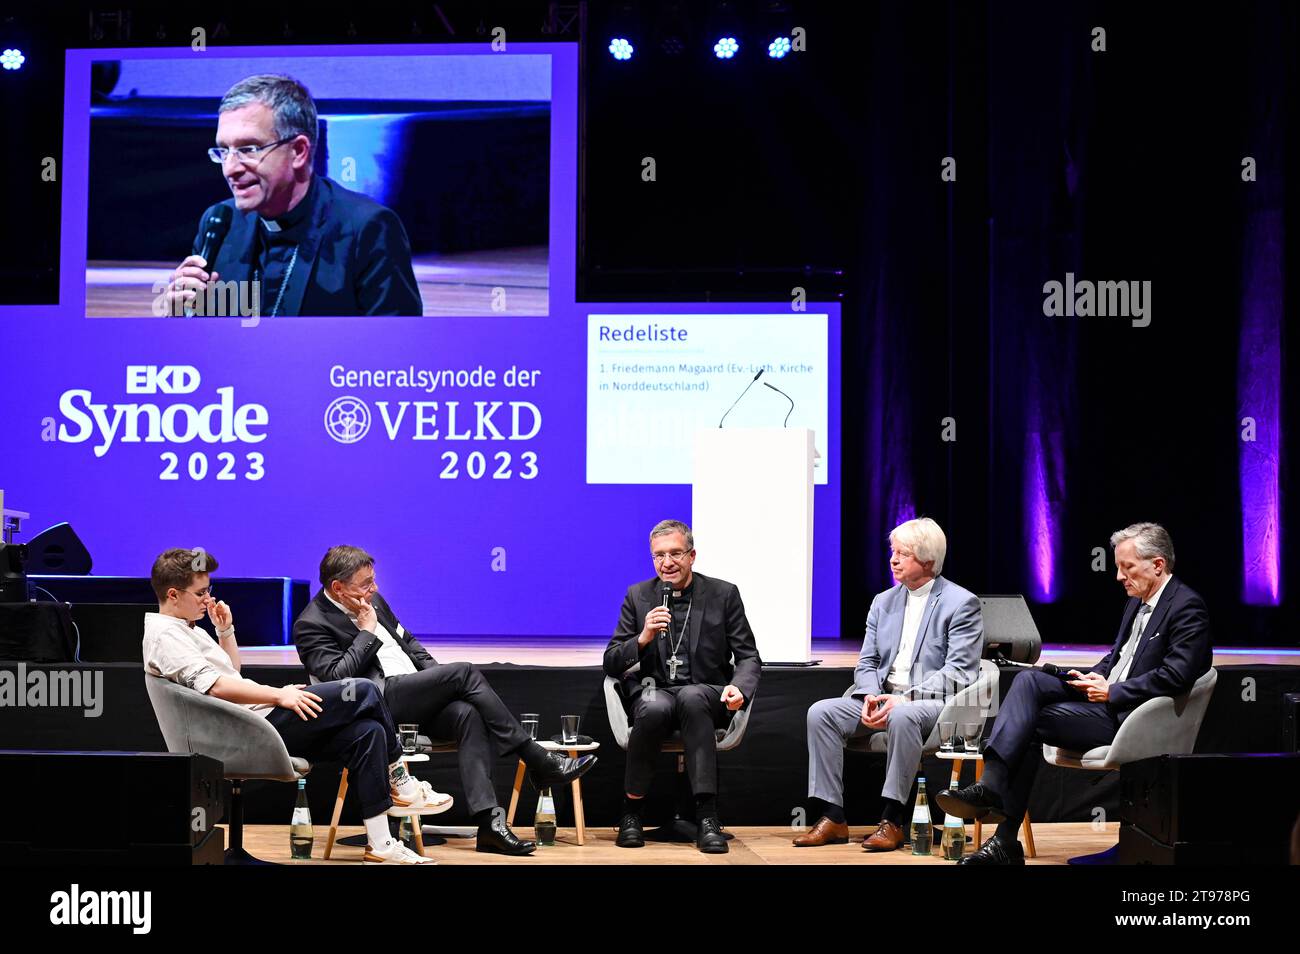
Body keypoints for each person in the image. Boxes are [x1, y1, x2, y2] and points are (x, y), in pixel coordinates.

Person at [143, 548, 444, 865]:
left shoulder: (185, 627)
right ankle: (400, 779)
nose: (208, 599)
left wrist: (224, 631)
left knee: (365, 732)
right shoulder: (166, 636)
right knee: (364, 690)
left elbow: (231, 671)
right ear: (173, 594)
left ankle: (381, 844)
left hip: (256, 718)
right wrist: (277, 695)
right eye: (201, 593)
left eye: (209, 590)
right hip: (248, 730)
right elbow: (216, 687)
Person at [937, 522, 1213, 864]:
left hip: (1132, 717)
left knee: (1030, 722)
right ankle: (995, 799)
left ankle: (1003, 831)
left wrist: (1113, 691)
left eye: (1126, 567)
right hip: (1107, 699)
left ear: (1157, 564)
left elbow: (1177, 675)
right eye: (1117, 567)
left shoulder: (1187, 607)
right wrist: (1088, 678)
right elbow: (1116, 659)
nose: (1118, 576)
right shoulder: (1137, 603)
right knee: (1029, 682)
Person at [293, 545, 596, 856]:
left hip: (411, 696)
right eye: (366, 583)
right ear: (338, 588)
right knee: (463, 672)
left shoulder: (374, 600)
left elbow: (406, 640)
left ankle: (489, 822)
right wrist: (367, 633)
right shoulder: (311, 624)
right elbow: (337, 681)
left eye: (374, 580)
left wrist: (438, 682)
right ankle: (536, 759)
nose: (375, 588)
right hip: (376, 703)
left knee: (467, 713)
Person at [165, 73, 423, 318]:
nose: (231, 168)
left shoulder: (366, 229)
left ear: (298, 151)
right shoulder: (220, 223)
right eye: (223, 151)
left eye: (248, 149)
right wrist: (181, 315)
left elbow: (397, 344)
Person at [798, 517, 983, 850]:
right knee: (820, 713)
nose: (893, 560)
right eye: (893, 552)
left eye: (903, 554)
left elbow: (959, 672)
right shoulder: (883, 602)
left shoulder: (961, 604)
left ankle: (892, 819)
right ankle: (833, 817)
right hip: (881, 697)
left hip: (931, 703)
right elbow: (867, 662)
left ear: (928, 560)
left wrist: (905, 698)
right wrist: (870, 696)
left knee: (902, 715)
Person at [603, 519, 762, 853]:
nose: (667, 562)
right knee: (654, 704)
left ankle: (706, 816)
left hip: (704, 692)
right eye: (659, 555)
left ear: (692, 556)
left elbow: (748, 657)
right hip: (654, 691)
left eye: (675, 553)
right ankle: (632, 812)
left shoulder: (723, 594)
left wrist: (740, 689)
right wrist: (643, 638)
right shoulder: (638, 596)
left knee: (690, 697)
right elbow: (612, 662)